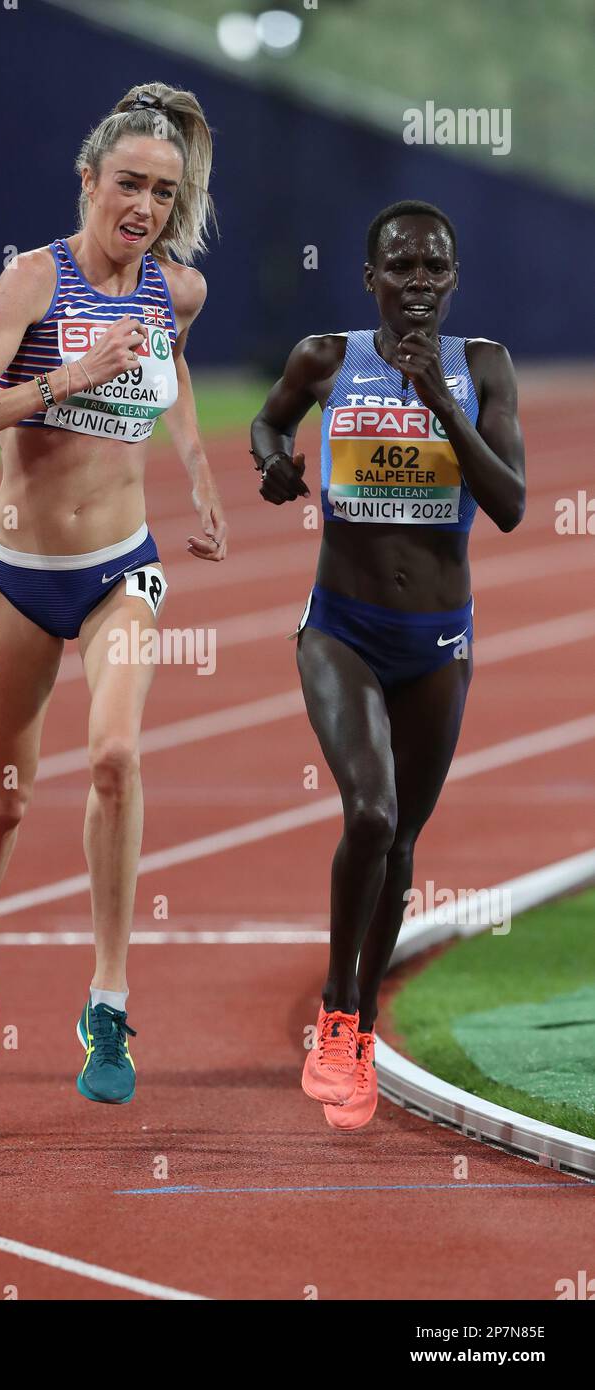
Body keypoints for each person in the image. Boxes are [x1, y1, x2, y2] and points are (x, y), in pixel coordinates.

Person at [0, 82, 226, 1105]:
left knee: (113, 756)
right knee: (3, 800)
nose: (141, 207)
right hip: (15, 580)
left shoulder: (173, 292)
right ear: (88, 180)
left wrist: (196, 473)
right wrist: (67, 376)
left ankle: (106, 1002)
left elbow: (171, 375)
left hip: (120, 573)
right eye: (128, 185)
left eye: (161, 192)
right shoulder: (31, 282)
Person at [250, 199, 525, 1129]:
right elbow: (268, 424)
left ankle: (361, 1022)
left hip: (439, 641)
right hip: (342, 630)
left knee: (402, 839)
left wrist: (441, 402)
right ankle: (339, 1009)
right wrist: (275, 463)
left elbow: (513, 502)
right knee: (369, 812)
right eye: (399, 267)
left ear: (452, 279)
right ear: (369, 278)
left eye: (433, 268)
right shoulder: (328, 358)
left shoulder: (482, 368)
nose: (417, 283)